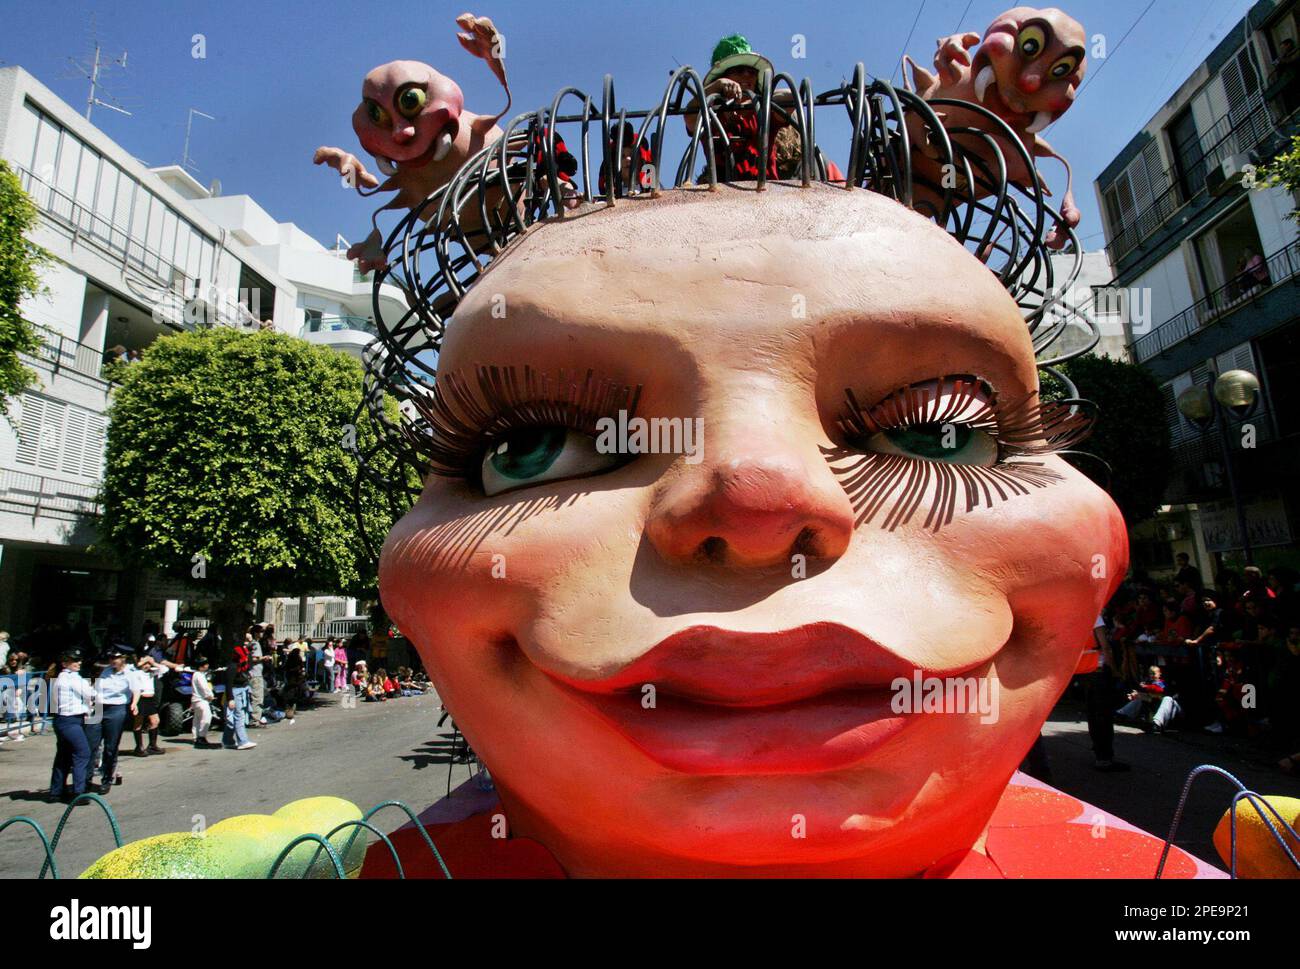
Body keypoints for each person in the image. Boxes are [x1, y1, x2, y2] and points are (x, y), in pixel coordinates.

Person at [48, 650, 98, 803]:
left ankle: (56, 792)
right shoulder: (73, 678)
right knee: (82, 753)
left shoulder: (61, 677)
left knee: (63, 756)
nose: (79, 663)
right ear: (65, 663)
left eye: (79, 660)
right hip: (71, 721)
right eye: (74, 660)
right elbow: (91, 693)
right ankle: (79, 792)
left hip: (62, 720)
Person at [91, 647, 137, 794]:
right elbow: (98, 688)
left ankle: (107, 779)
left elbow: (136, 690)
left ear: (122, 659)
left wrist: (134, 704)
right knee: (93, 743)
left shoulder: (129, 674)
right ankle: (87, 778)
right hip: (100, 707)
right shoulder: (106, 672)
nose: (112, 662)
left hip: (117, 708)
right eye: (110, 659)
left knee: (111, 747)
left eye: (114, 659)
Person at [1116, 665, 1181, 733]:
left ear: (1160, 674)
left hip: (1175, 712)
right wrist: (1137, 695)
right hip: (1156, 710)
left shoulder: (1162, 683)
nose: (1152, 675)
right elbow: (1151, 697)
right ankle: (1121, 714)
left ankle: (1157, 724)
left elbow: (1159, 690)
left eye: (1154, 673)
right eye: (1150, 673)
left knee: (1167, 699)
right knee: (1139, 697)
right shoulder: (1149, 683)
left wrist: (1146, 687)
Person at [221, 635, 256, 751]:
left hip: (242, 690)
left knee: (232, 719)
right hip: (235, 693)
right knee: (238, 716)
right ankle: (242, 741)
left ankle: (227, 740)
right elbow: (228, 684)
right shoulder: (232, 667)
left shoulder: (242, 666)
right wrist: (230, 699)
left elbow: (250, 662)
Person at [129, 653, 168, 756]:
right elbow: (131, 671)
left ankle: (152, 745)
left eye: (148, 664)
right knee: (138, 723)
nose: (147, 666)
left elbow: (165, 669)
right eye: (145, 663)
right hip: (140, 699)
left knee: (155, 721)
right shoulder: (136, 673)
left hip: (150, 700)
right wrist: (141, 662)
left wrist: (152, 662)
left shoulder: (152, 672)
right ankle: (139, 747)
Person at [191, 654, 217, 748]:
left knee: (197, 719)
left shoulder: (196, 674)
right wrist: (210, 696)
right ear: (201, 666)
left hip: (196, 700)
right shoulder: (200, 676)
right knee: (206, 717)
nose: (207, 665)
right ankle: (201, 736)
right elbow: (204, 688)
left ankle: (196, 736)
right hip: (201, 700)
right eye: (206, 664)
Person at [244, 628, 266, 728]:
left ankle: (254, 718)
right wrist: (264, 658)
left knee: (253, 697)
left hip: (251, 673)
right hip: (255, 674)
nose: (262, 634)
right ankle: (255, 720)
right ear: (256, 633)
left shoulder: (252, 644)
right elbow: (253, 658)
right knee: (257, 697)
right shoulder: (255, 644)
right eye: (260, 632)